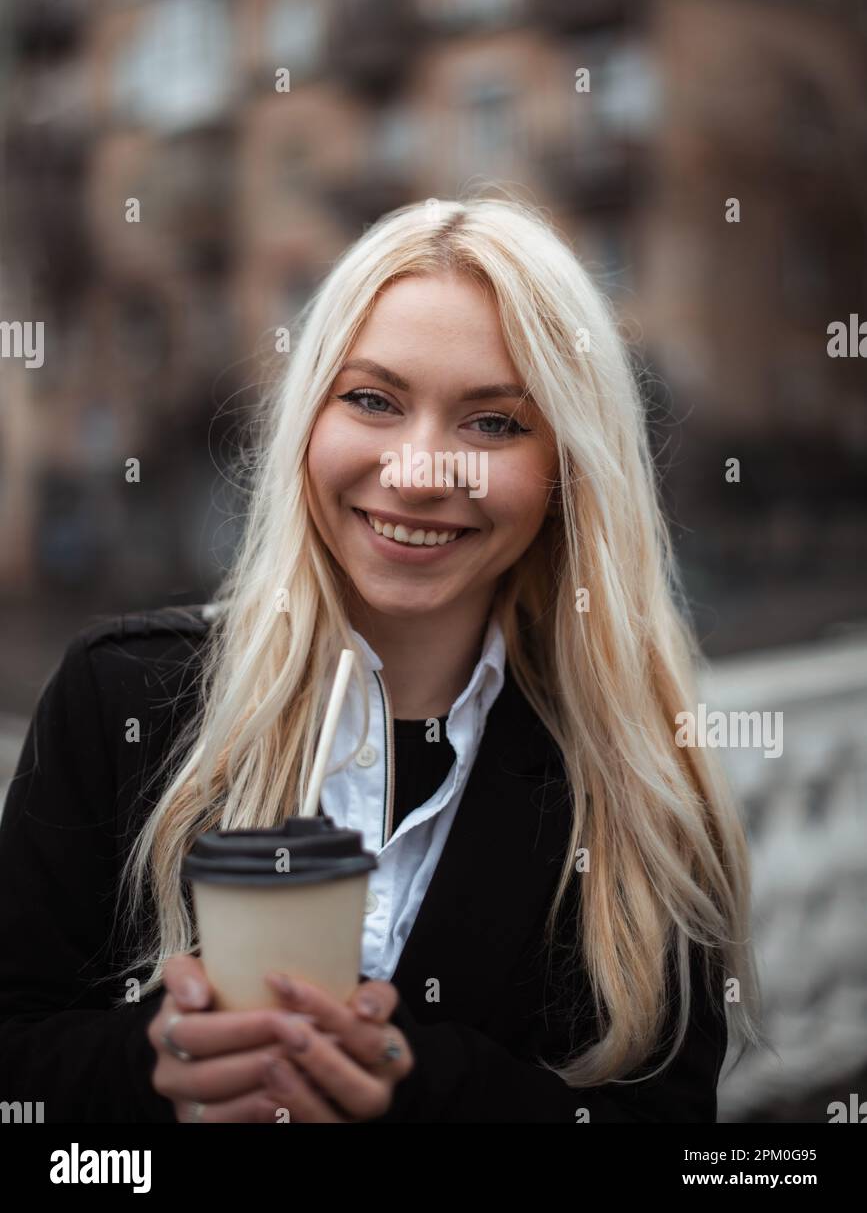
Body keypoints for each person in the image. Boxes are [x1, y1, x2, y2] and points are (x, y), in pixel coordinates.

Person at [0, 196, 763, 1123]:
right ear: (307, 422)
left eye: (493, 424)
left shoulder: (636, 781)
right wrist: (151, 1063)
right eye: (372, 400)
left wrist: (414, 1088)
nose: (417, 470)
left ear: (569, 466)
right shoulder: (118, 696)